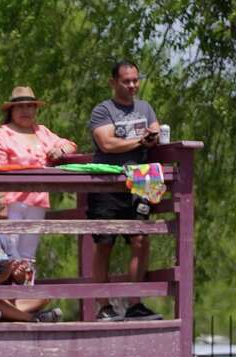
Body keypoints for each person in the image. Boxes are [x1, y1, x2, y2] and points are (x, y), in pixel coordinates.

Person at [87, 61, 163, 321]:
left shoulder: (145, 108)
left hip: (142, 181)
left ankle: (134, 304)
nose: (132, 85)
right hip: (108, 181)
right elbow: (107, 143)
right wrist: (140, 140)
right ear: (113, 83)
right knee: (104, 243)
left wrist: (154, 138)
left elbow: (156, 132)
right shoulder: (103, 110)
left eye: (135, 80)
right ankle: (104, 306)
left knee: (141, 241)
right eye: (126, 81)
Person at [0, 87, 77, 264]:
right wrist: (1, 205)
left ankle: (26, 291)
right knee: (4, 253)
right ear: (11, 110)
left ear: (35, 109)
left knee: (27, 255)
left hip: (36, 199)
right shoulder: (2, 135)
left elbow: (70, 144)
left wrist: (60, 150)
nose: (25, 111)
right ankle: (2, 291)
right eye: (20, 107)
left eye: (30, 106)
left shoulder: (42, 132)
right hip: (8, 201)